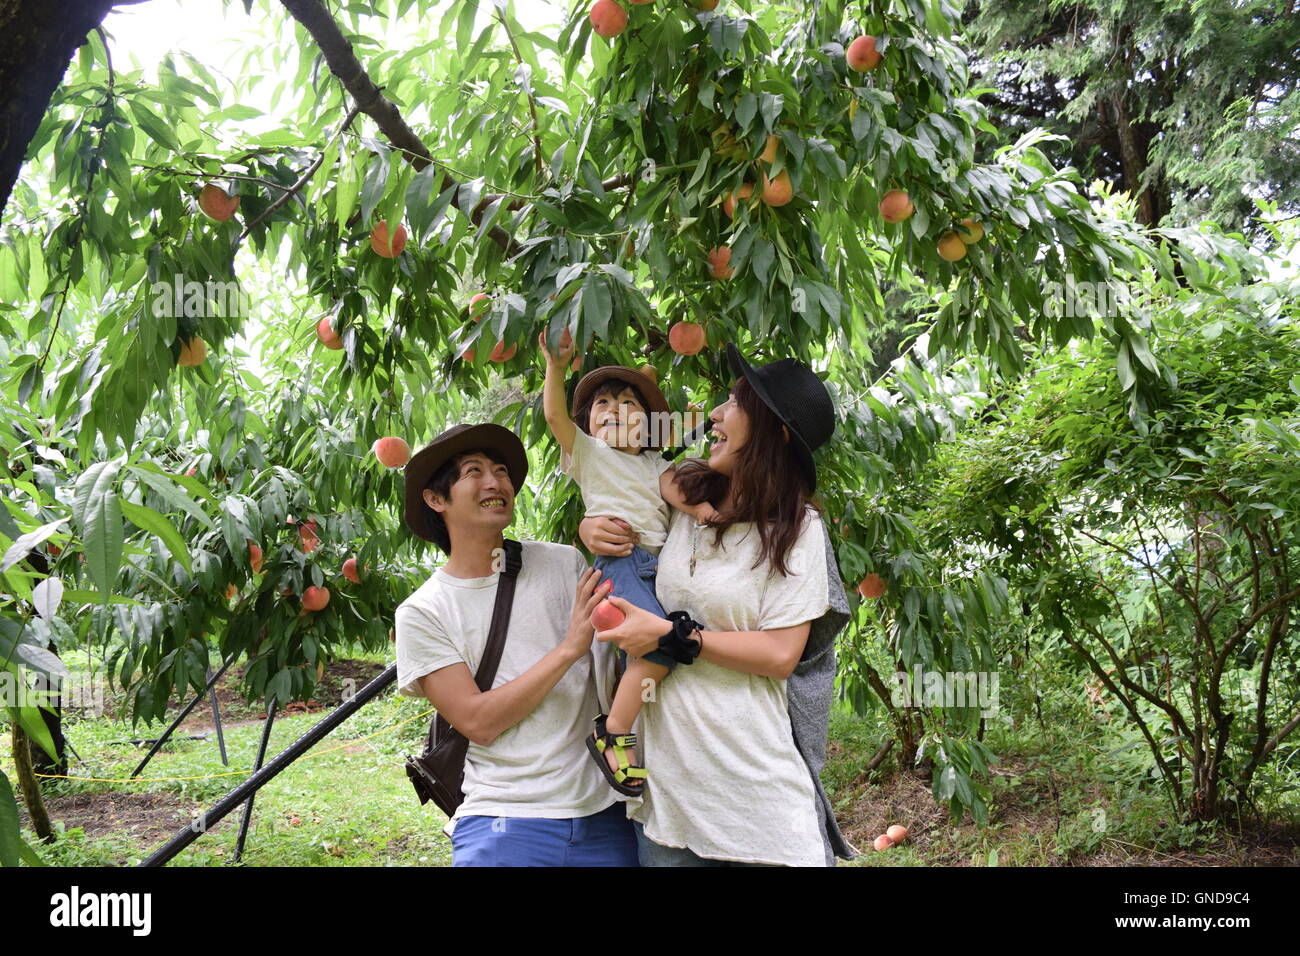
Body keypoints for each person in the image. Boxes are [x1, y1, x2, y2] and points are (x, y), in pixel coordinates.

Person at [580, 344, 856, 867]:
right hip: (669, 806)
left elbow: (780, 655)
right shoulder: (684, 503)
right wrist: (591, 526)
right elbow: (622, 522)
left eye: (734, 403)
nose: (715, 414)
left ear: (773, 433)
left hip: (755, 799)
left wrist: (676, 639)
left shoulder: (797, 531)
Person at [393, 422, 639, 866]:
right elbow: (478, 721)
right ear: (436, 498)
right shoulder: (424, 611)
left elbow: (617, 667)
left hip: (606, 812)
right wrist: (568, 648)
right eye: (474, 471)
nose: (495, 482)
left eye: (501, 470)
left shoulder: (563, 563)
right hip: (506, 819)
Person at [538, 330, 716, 797]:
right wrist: (555, 367)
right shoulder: (591, 455)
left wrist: (703, 511)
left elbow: (678, 493)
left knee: (653, 648)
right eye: (602, 405)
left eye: (627, 403)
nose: (614, 410)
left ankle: (625, 727)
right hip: (617, 563)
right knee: (663, 645)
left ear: (652, 426)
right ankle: (614, 732)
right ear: (590, 427)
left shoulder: (657, 463)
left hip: (653, 570)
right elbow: (555, 415)